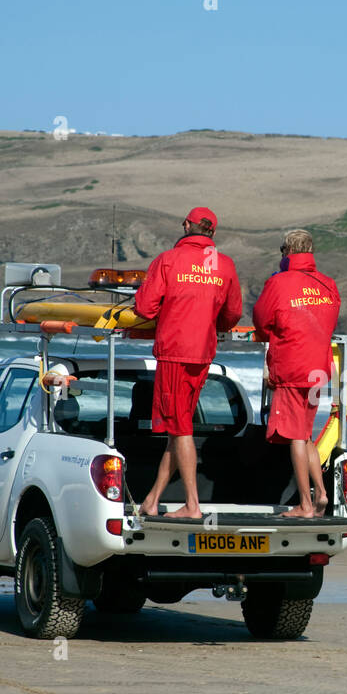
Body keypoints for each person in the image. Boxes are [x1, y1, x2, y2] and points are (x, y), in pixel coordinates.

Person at [134, 207, 242, 518]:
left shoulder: (168, 260)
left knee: (181, 430)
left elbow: (144, 306)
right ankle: (152, 499)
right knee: (177, 427)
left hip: (175, 351)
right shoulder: (224, 264)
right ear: (212, 232)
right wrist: (209, 323)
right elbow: (233, 314)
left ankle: (193, 505)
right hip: (202, 352)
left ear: (186, 225)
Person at [253, 229, 341, 518]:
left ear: (286, 252)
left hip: (292, 368)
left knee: (295, 437)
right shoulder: (328, 284)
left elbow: (262, 320)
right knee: (305, 435)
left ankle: (305, 503)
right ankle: (322, 494)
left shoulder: (279, 282)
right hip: (319, 368)